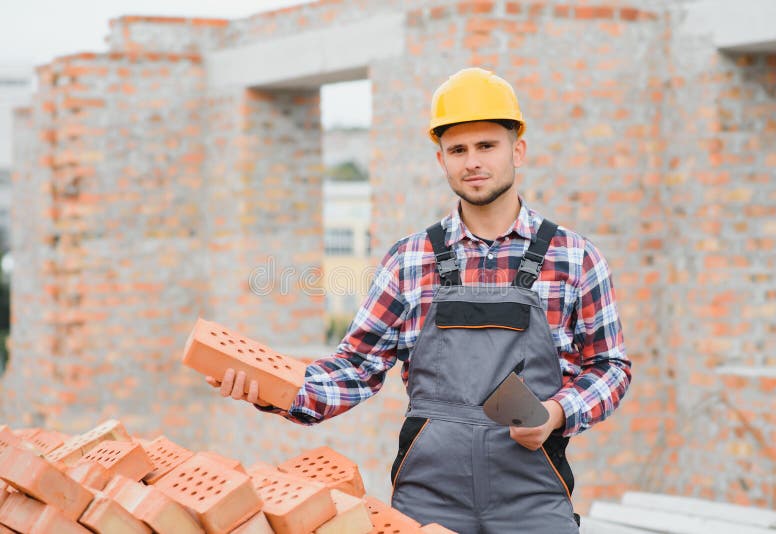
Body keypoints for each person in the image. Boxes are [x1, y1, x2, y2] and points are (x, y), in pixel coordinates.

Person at [206, 67, 631, 533]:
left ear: (518, 150)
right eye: (458, 150)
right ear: (440, 159)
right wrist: (276, 389)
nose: (472, 162)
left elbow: (610, 367)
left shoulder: (573, 257)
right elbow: (355, 368)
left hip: (531, 501)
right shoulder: (410, 260)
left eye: (486, 146)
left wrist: (556, 412)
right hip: (429, 500)